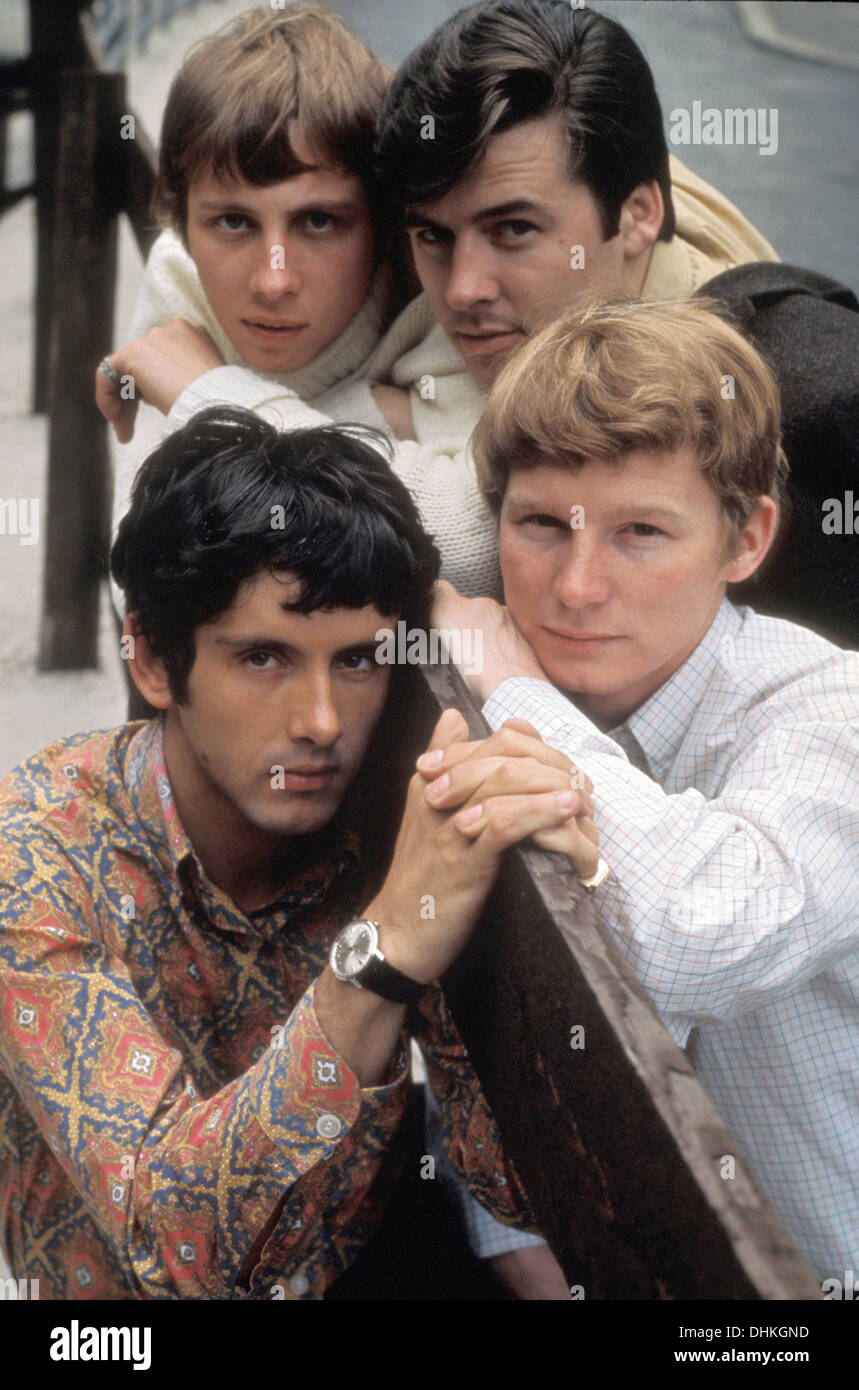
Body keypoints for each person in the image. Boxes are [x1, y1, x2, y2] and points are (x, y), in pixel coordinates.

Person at [0, 406, 600, 1299]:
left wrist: (566, 892)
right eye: (263, 659)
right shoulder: (36, 854)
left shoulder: (386, 825)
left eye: (356, 662)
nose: (321, 722)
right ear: (154, 661)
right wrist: (383, 953)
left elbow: (510, 1189)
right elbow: (176, 1245)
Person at [427, 296, 859, 1280]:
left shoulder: (833, 713)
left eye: (640, 533)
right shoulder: (489, 689)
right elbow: (467, 1042)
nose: (577, 587)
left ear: (746, 540)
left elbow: (696, 935)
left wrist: (520, 694)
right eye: (542, 524)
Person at [99, 1, 775, 599]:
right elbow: (146, 571)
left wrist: (215, 397)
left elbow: (477, 549)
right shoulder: (206, 265)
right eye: (432, 235)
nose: (461, 290)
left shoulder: (690, 356)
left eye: (513, 230)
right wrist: (373, 418)